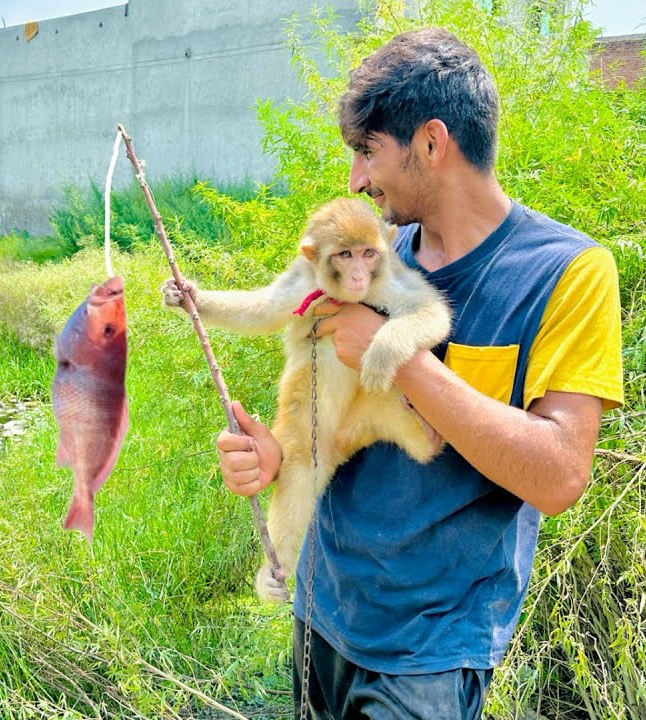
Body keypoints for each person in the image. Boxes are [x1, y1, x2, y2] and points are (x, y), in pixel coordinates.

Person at [218, 27, 624, 719]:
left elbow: (559, 476)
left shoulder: (567, 273)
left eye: (369, 150)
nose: (357, 178)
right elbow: (346, 419)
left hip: (430, 650)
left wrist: (401, 358)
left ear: (432, 143)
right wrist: (279, 455)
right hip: (324, 609)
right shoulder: (371, 254)